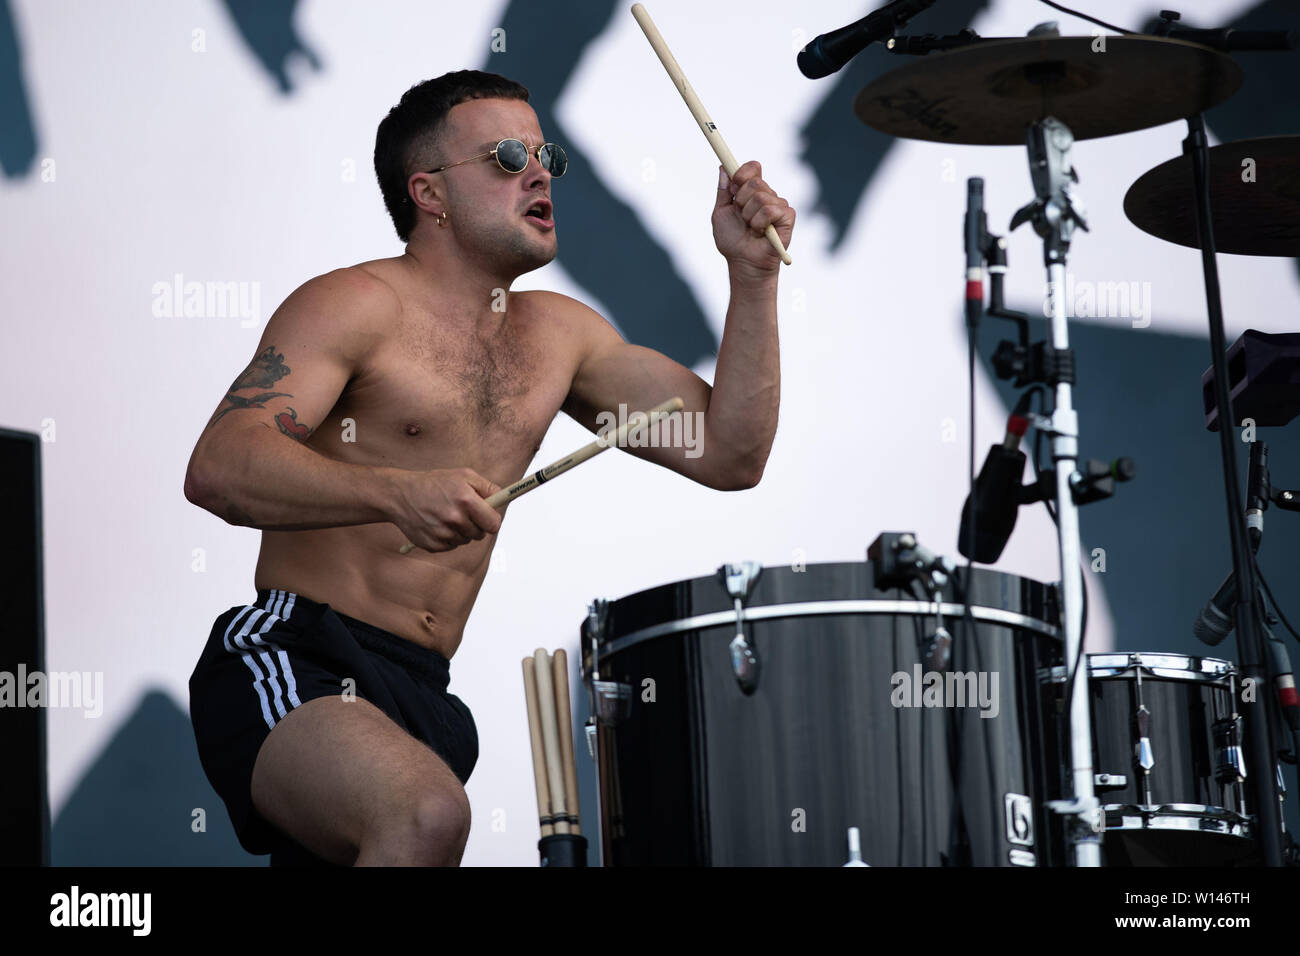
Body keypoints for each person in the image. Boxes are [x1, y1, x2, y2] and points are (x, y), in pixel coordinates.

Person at [183, 69, 794, 866]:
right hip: (297, 653)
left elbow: (729, 453)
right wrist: (393, 494)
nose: (539, 172)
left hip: (422, 690)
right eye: (507, 156)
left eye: (546, 155)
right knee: (425, 816)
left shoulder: (562, 337)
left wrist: (752, 278)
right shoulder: (354, 303)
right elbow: (220, 466)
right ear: (429, 193)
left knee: (419, 818)